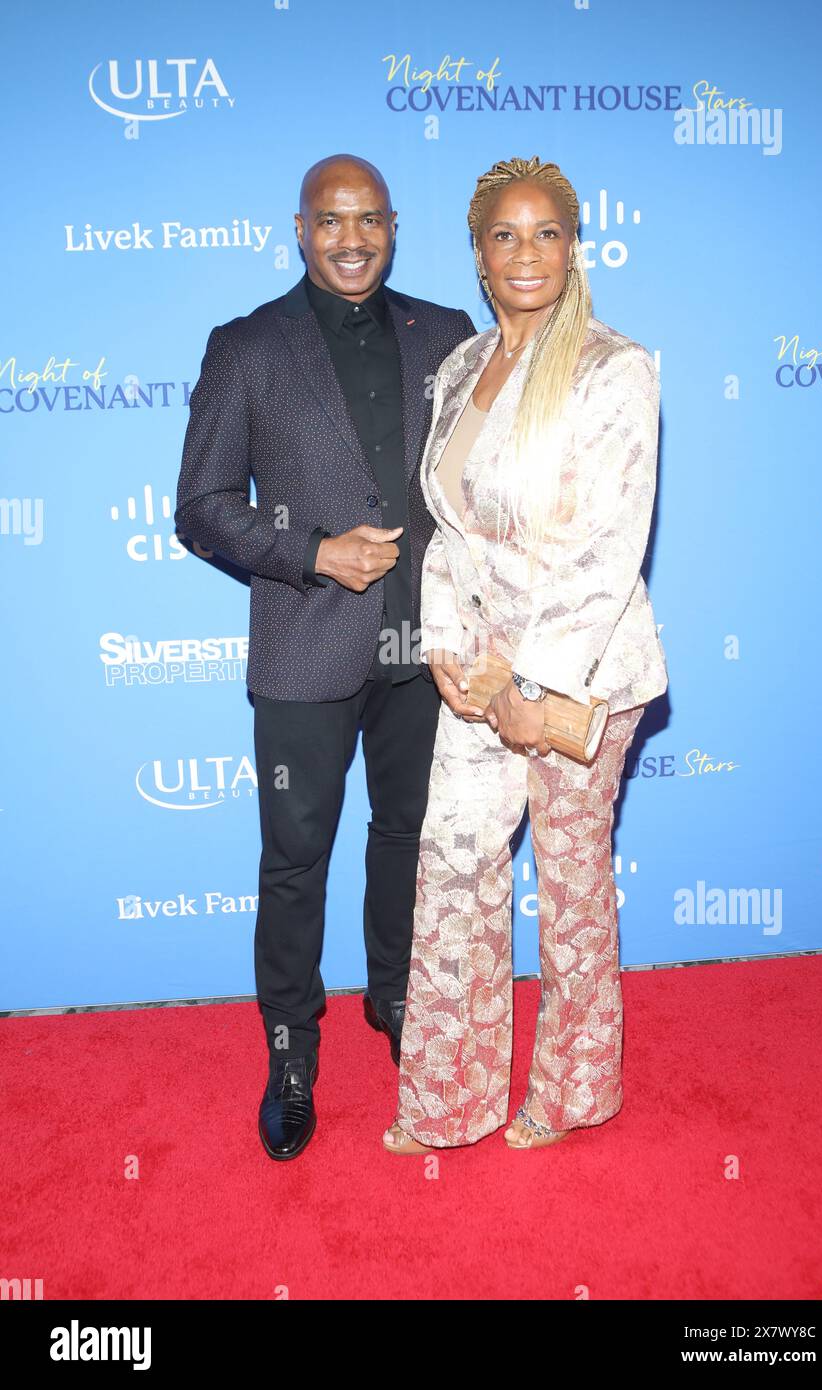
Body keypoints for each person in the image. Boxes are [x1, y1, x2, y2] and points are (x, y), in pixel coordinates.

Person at [175, 154, 475, 1161]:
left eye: (371, 220)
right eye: (330, 220)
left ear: (394, 227)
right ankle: (291, 1052)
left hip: (423, 644)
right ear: (298, 229)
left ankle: (394, 1004)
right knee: (294, 862)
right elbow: (201, 507)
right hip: (306, 645)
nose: (352, 238)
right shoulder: (248, 346)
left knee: (406, 838)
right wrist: (312, 553)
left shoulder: (447, 335)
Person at [383, 155, 668, 1154]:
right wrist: (455, 653)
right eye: (504, 235)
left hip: (578, 675)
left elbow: (608, 545)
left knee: (573, 879)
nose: (526, 252)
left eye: (545, 231)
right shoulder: (459, 368)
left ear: (573, 245)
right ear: (475, 254)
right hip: (479, 672)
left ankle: (576, 1089)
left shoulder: (610, 366)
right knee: (451, 861)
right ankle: (447, 1099)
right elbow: (448, 532)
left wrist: (528, 682)